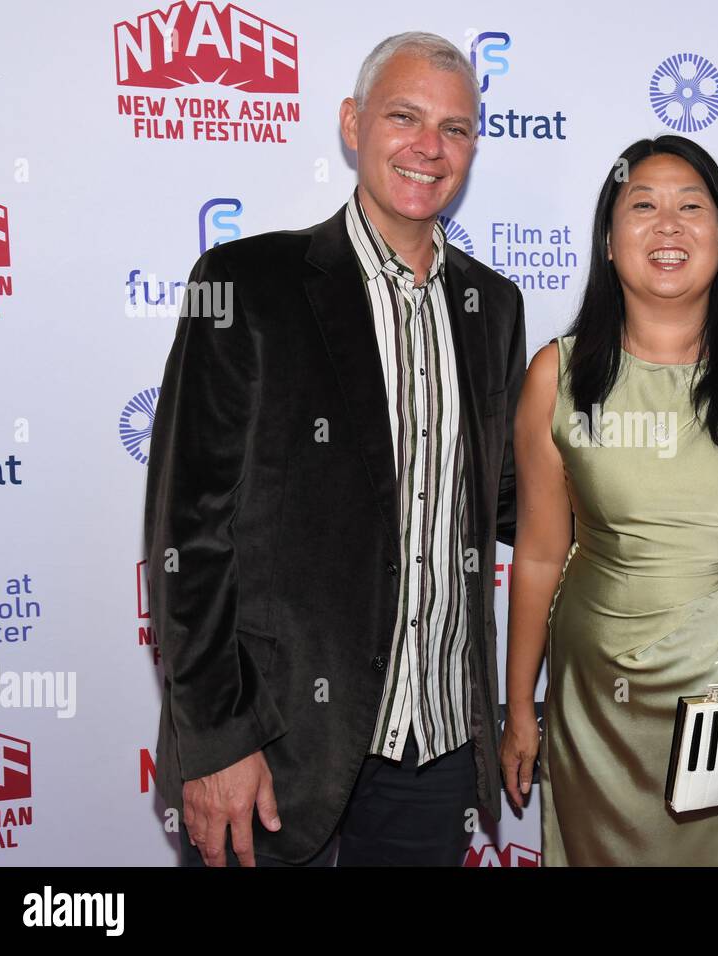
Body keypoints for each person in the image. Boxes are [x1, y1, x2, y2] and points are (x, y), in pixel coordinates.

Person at [144, 32, 526, 866]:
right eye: (405, 117)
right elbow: (187, 535)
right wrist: (215, 742)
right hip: (276, 748)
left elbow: (504, 501)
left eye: (456, 128)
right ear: (353, 125)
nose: (431, 147)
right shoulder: (247, 284)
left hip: (435, 748)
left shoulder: (491, 307)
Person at [499, 135, 718, 866]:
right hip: (596, 702)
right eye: (642, 206)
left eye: (691, 207)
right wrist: (521, 705)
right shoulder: (556, 376)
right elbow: (540, 554)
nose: (668, 226)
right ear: (610, 242)